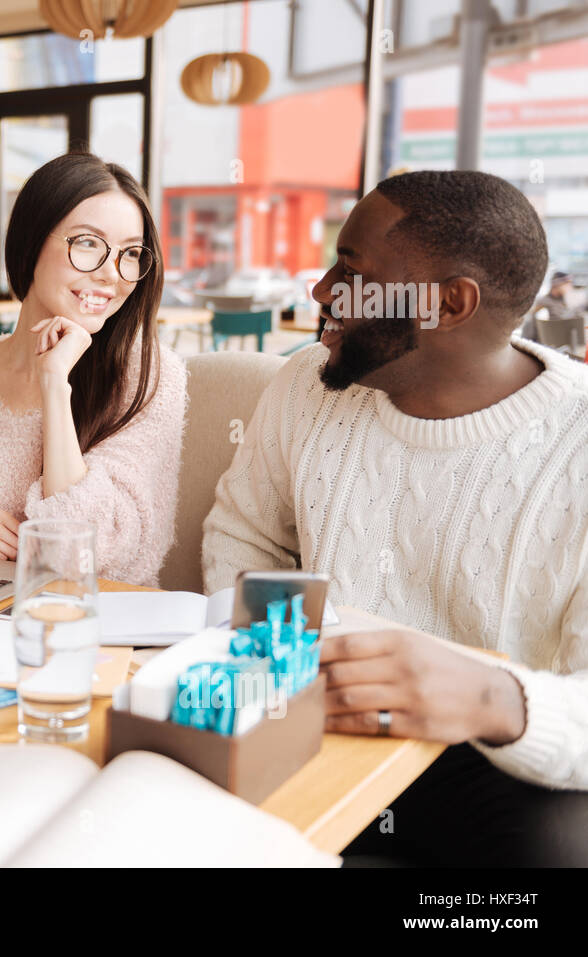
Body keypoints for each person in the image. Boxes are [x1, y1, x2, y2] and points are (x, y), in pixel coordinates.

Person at [201, 169, 588, 865]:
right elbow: (242, 533)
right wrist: (274, 664)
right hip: (313, 725)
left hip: (498, 761)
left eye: (350, 269)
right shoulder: (304, 387)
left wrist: (494, 697)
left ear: (447, 303)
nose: (320, 291)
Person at [0, 152, 186, 587]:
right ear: (31, 240)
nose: (110, 274)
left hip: (100, 628)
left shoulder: (151, 377)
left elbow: (94, 551)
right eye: (87, 243)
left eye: (130, 253)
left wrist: (55, 385)